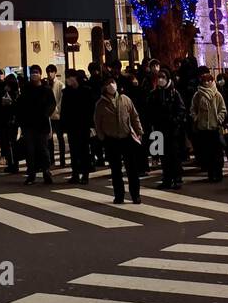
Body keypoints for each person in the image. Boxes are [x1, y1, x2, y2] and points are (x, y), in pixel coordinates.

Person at [93, 72, 143, 204]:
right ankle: (119, 195)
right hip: (111, 139)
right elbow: (97, 122)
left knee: (132, 169)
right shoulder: (100, 104)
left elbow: (134, 116)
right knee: (116, 170)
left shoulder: (125, 99)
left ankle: (135, 195)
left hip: (127, 137)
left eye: (113, 83)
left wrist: (139, 131)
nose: (111, 85)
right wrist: (102, 137)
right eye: (108, 83)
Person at [146, 69, 187, 189]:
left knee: (174, 154)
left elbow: (181, 110)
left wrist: (175, 121)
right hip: (159, 128)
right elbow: (149, 110)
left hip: (172, 129)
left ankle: (177, 179)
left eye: (162, 77)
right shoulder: (154, 94)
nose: (160, 79)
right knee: (163, 155)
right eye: (159, 77)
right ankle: (167, 179)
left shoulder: (174, 93)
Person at [17, 65, 56, 186]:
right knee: (30, 150)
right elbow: (20, 106)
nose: (34, 75)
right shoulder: (26, 89)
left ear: (40, 74)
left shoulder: (46, 89)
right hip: (29, 125)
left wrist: (46, 114)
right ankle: (31, 174)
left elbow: (52, 104)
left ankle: (46, 172)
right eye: (33, 73)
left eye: (36, 72)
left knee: (43, 149)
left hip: (42, 124)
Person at [190, 68, 227, 183]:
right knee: (207, 152)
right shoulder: (198, 95)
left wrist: (219, 118)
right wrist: (196, 118)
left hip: (214, 127)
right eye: (204, 81)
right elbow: (193, 109)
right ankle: (211, 173)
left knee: (217, 152)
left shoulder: (217, 94)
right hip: (203, 128)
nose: (206, 83)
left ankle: (218, 173)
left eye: (209, 80)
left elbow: (223, 109)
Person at [61, 69, 95, 184]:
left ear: (74, 78)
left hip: (83, 125)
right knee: (74, 151)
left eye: (69, 77)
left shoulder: (86, 91)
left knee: (84, 150)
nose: (68, 80)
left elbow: (91, 109)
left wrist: (91, 125)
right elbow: (64, 110)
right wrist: (63, 124)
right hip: (72, 125)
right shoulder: (66, 92)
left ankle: (85, 175)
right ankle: (75, 174)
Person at [0, 73, 20, 173]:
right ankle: (11, 163)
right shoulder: (4, 93)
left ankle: (13, 164)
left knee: (12, 144)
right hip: (5, 121)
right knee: (7, 144)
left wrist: (10, 103)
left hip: (12, 122)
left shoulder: (16, 94)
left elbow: (18, 107)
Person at [46, 64, 65, 169]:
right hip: (49, 116)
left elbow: (61, 101)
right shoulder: (47, 85)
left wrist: (56, 111)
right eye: (48, 72)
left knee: (60, 138)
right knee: (49, 139)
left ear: (55, 72)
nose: (49, 74)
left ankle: (62, 160)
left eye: (51, 72)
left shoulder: (60, 85)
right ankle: (51, 159)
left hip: (57, 116)